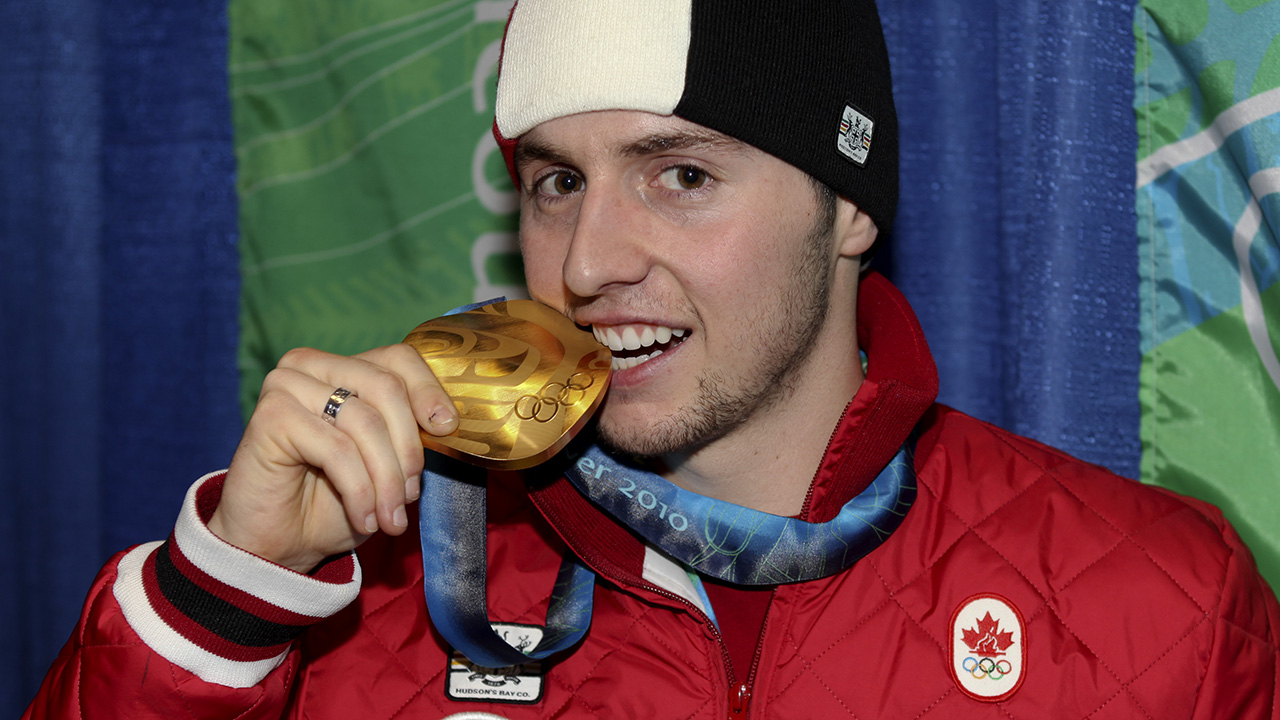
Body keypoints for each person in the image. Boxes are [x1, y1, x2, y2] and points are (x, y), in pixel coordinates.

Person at [25, 1, 1280, 718]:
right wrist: (221, 599)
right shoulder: (363, 595)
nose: (584, 264)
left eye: (678, 176)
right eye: (556, 181)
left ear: (848, 208)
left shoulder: (1158, 600)